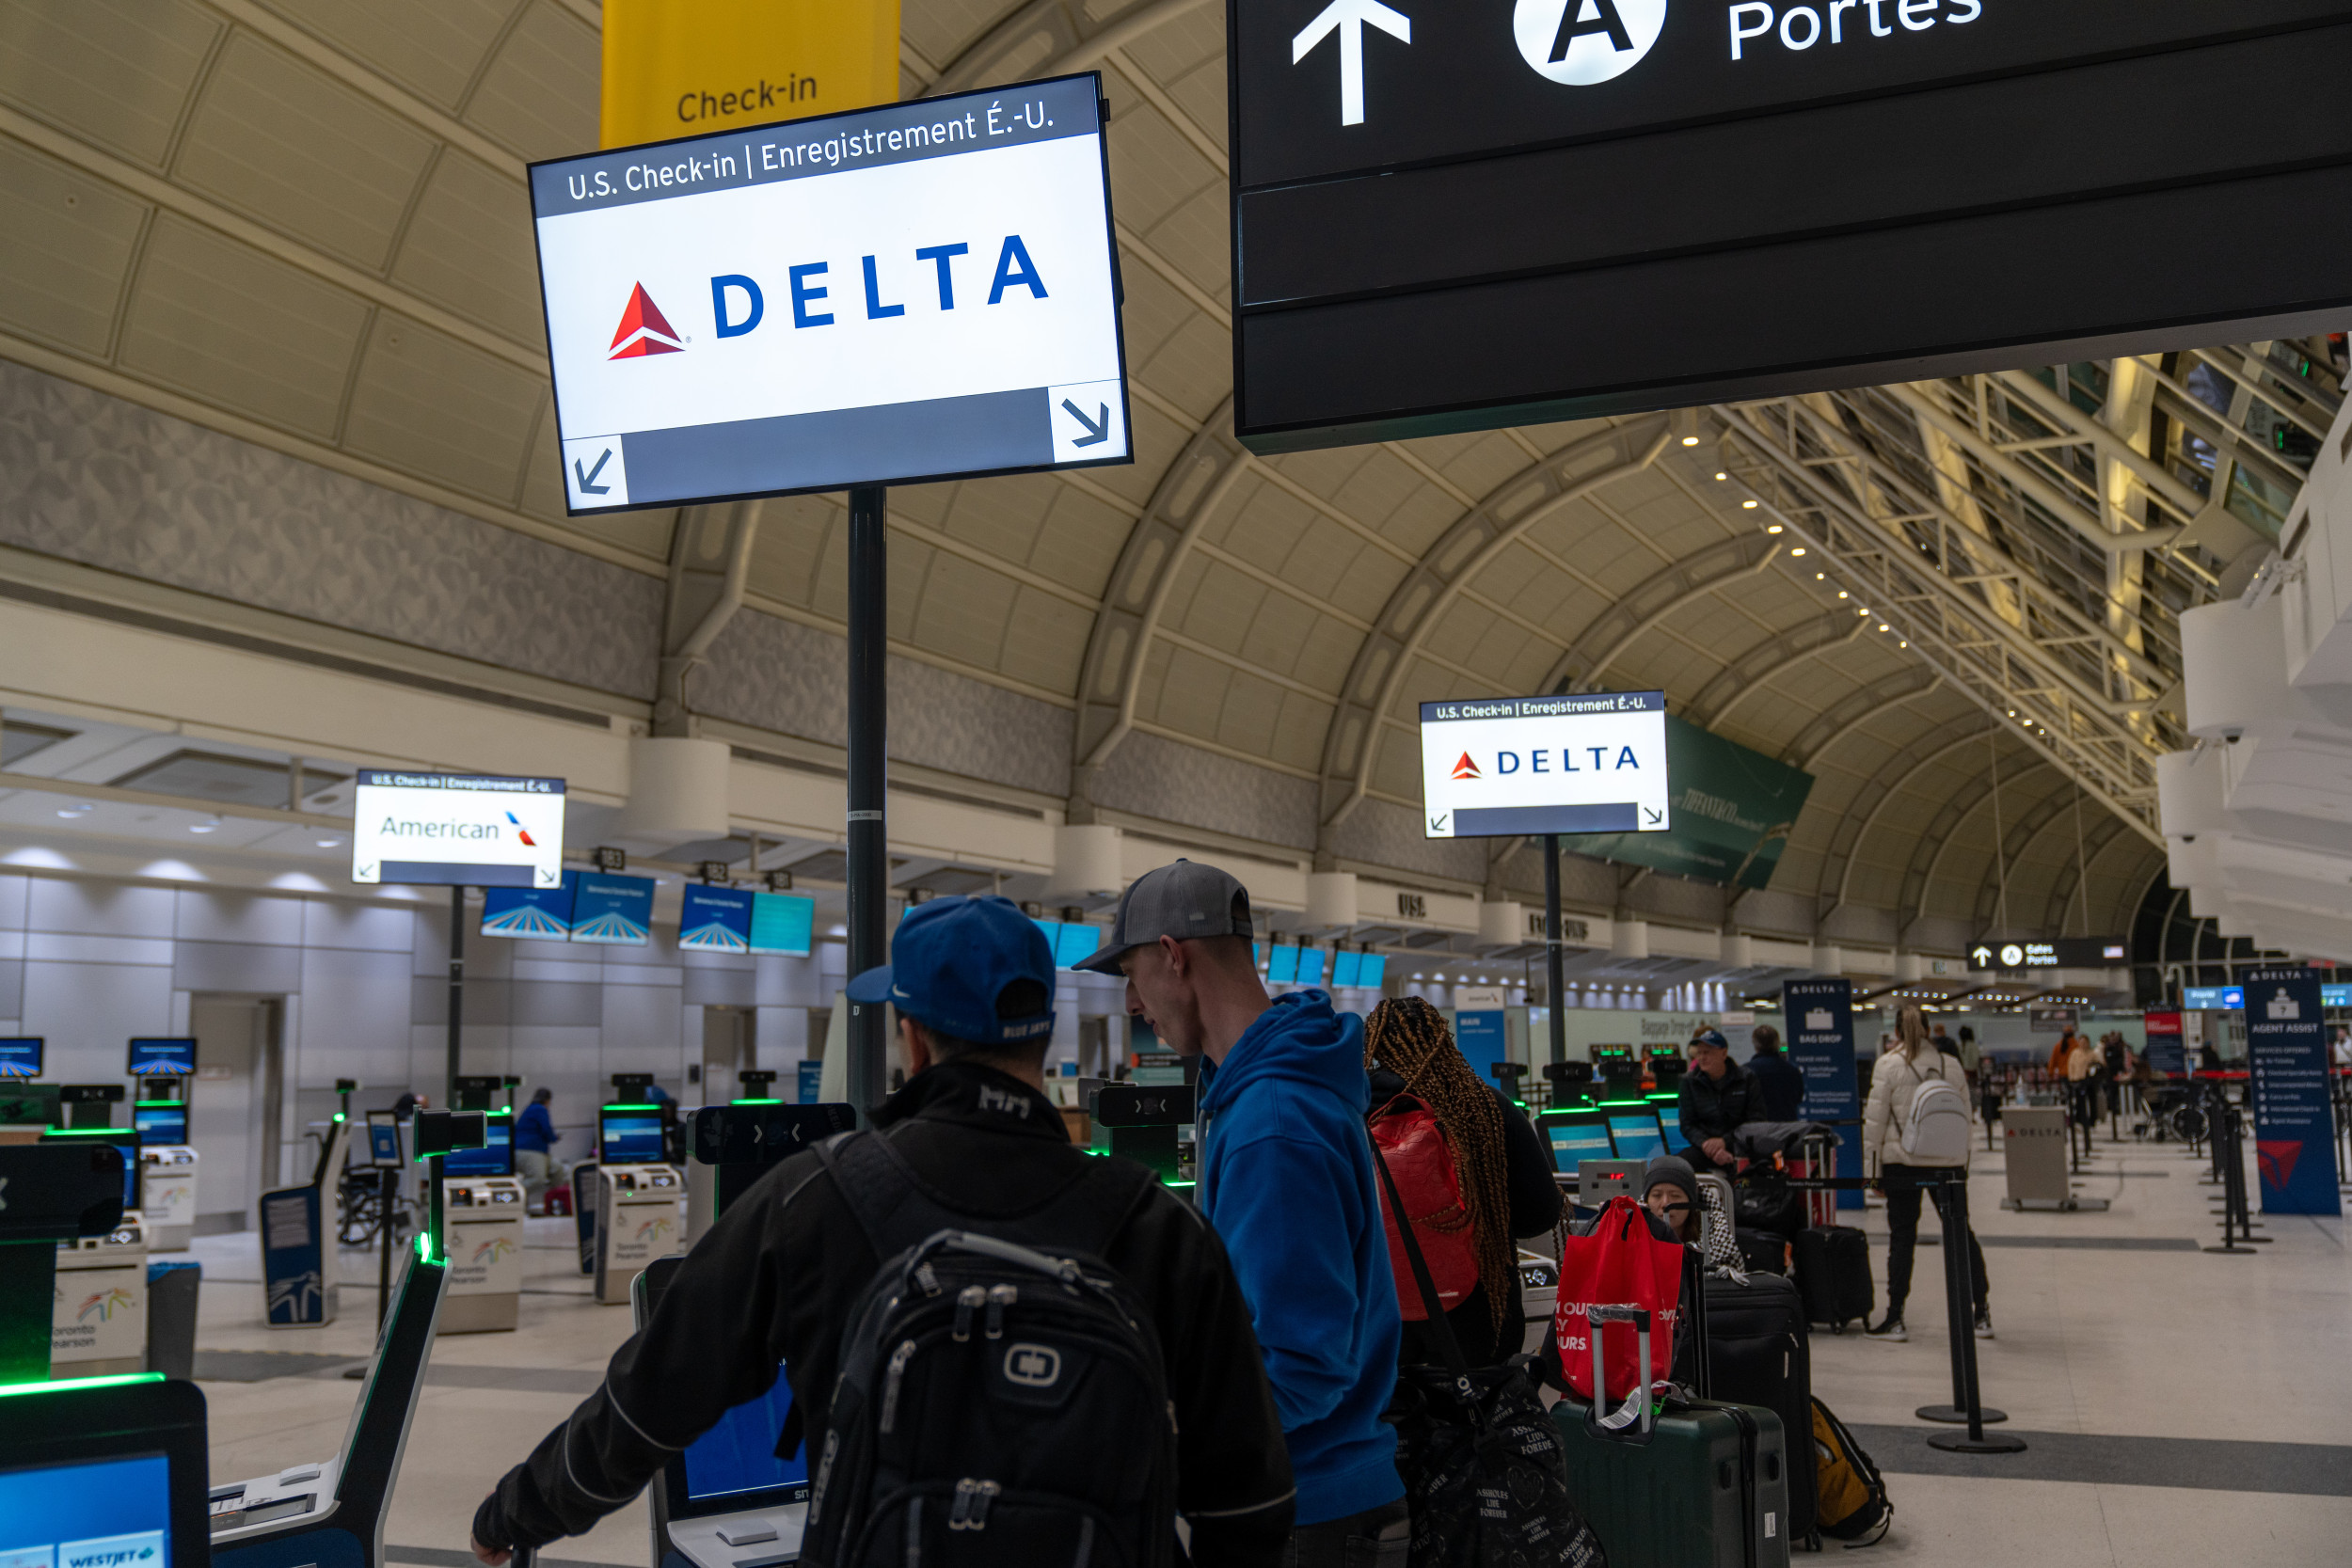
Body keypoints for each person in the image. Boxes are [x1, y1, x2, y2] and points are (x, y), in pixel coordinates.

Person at [468, 895, 1295, 1562]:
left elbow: (649, 1402)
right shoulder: (1154, 1221)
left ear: (912, 1037)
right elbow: (1249, 1498)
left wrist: (517, 1511)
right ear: (1044, 1037)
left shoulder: (814, 1197)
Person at [1084, 861, 1407, 1564]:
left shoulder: (1273, 1119)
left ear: (1173, 955)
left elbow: (1297, 1360)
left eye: (1133, 976)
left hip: (1304, 1508)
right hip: (1322, 1499)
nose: (1133, 1004)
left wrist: (1152, 1435)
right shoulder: (1267, 1092)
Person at [1364, 996, 1562, 1366]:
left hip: (1378, 1317)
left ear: (1373, 1045)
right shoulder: (1485, 1108)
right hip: (1478, 1316)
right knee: (1480, 1416)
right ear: (1442, 1039)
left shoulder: (1349, 1114)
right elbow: (1540, 1213)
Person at [1862, 1006, 1991, 1343]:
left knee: (1902, 1237)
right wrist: (1962, 1164)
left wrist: (1872, 1174)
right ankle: (1981, 1313)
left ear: (1897, 1032)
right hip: (1946, 1163)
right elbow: (1965, 1119)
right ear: (1930, 1029)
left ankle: (1895, 1317)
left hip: (1900, 1162)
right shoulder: (1950, 1065)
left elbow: (1874, 1125)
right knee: (1961, 1232)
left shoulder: (1888, 1065)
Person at [1677, 1028, 1759, 1169]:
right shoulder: (1688, 1082)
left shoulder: (1746, 1079)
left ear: (1724, 1053)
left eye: (1707, 1052)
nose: (1702, 1057)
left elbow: (1756, 1120)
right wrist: (1707, 1145)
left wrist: (1725, 1142)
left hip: (1740, 1145)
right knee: (1678, 1165)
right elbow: (1687, 1125)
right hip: (1704, 1147)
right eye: (1699, 1053)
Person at [513, 1086, 565, 1210]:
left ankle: (551, 1200)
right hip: (530, 1150)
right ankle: (510, 1195)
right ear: (547, 1100)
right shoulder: (539, 1109)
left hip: (535, 1151)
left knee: (557, 1169)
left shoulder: (530, 1109)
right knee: (538, 1179)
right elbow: (546, 1129)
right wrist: (554, 1138)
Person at [1745, 1022, 1806, 1122]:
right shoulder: (1792, 1070)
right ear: (1777, 1042)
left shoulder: (1746, 1071)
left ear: (1755, 1044)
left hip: (1758, 1130)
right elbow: (1798, 1098)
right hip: (1787, 1128)